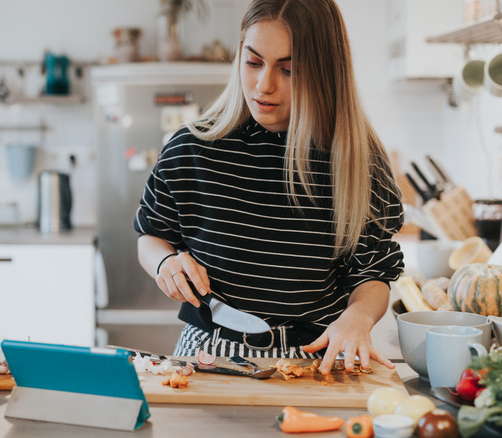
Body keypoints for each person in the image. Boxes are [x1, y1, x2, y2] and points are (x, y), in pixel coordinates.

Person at [134, 0, 404, 375]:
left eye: (289, 69)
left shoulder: (358, 161)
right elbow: (151, 236)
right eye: (253, 62)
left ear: (326, 72)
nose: (264, 85)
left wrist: (358, 318)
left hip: (317, 355)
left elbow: (373, 271)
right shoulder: (191, 148)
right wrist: (164, 262)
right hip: (209, 353)